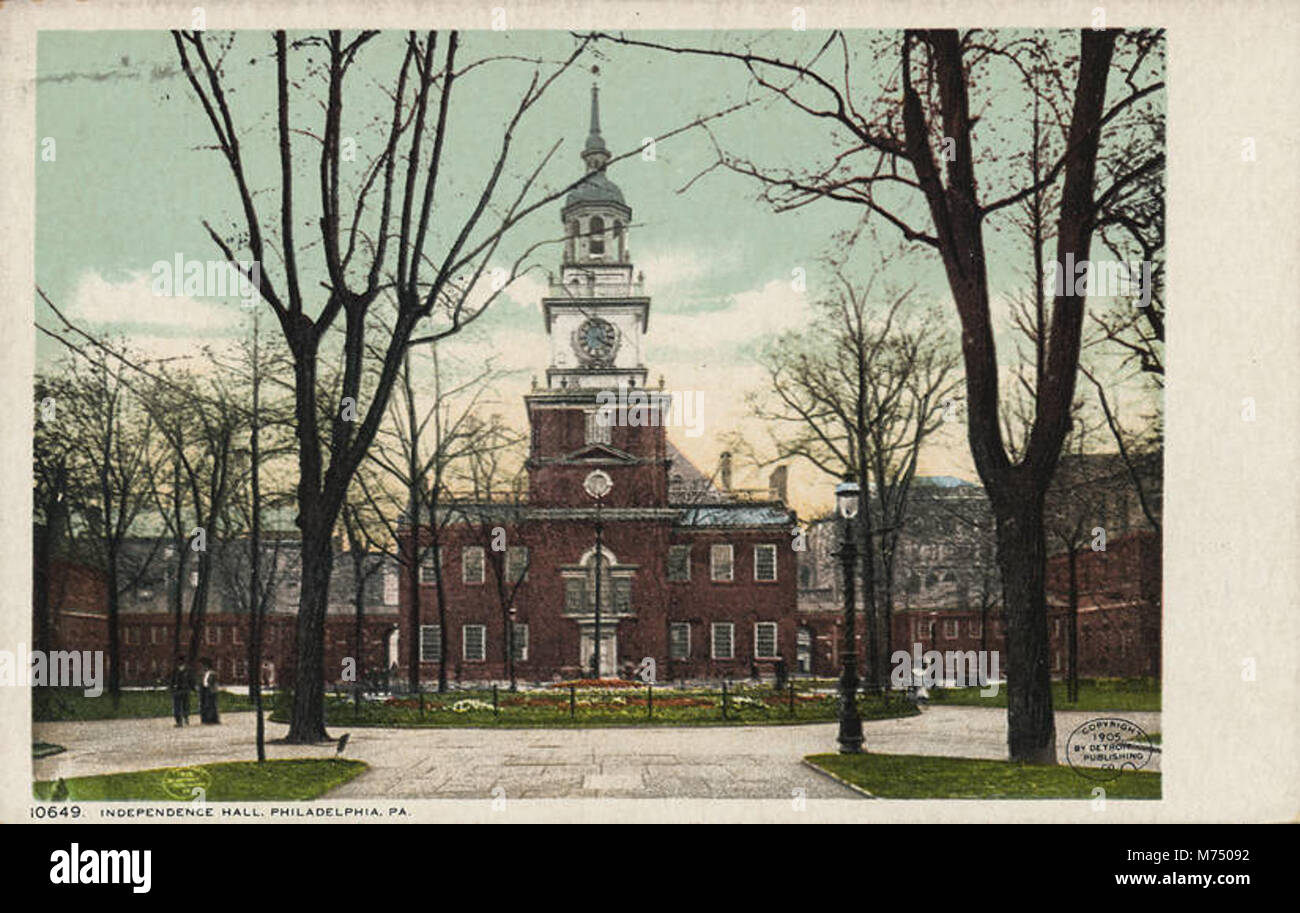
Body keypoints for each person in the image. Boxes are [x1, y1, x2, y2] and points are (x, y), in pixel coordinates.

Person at [170, 655, 194, 727]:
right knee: (176, 707)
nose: (180, 662)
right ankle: (178, 721)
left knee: (185, 705)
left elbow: (191, 680)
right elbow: (172, 680)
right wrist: (171, 688)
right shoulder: (175, 670)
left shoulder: (188, 670)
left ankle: (185, 718)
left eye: (181, 661)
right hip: (177, 690)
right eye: (179, 661)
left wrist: (192, 688)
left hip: (185, 690)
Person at [198, 657, 220, 724]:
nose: (203, 667)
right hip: (203, 690)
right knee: (203, 704)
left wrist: (213, 689)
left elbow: (214, 683)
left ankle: (213, 719)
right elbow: (201, 682)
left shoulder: (213, 674)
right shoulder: (202, 673)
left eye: (204, 666)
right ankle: (204, 719)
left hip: (210, 690)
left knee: (211, 705)